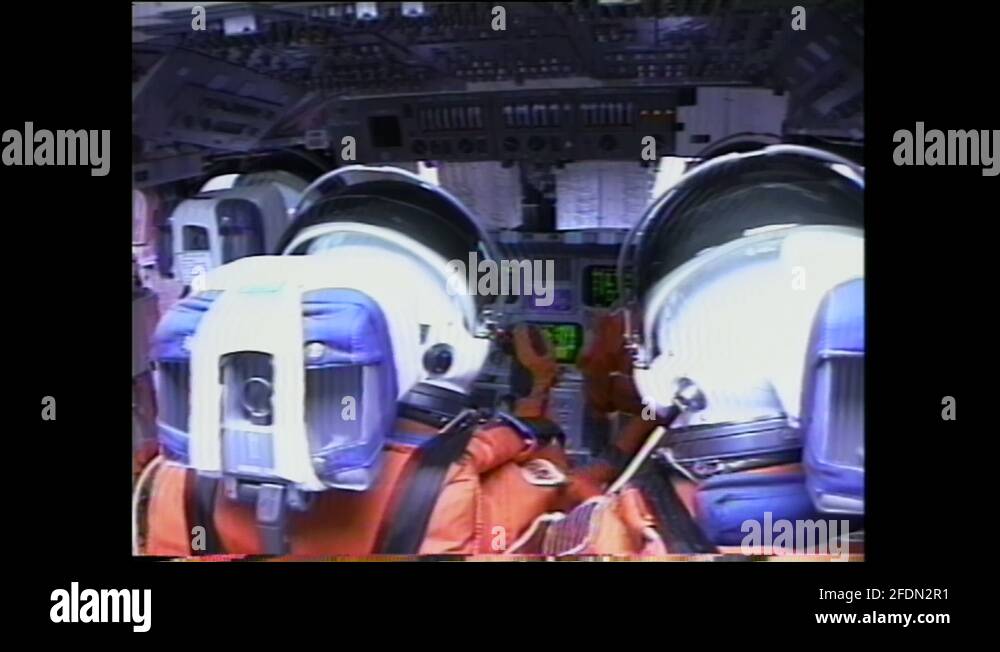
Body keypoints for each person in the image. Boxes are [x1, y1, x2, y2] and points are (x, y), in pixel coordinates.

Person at [135, 167, 574, 556]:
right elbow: (569, 499)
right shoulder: (460, 486)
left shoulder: (176, 480)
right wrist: (538, 396)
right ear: (444, 350)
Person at [507, 146, 866, 556]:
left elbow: (647, 404)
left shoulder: (628, 531)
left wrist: (538, 391)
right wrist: (613, 454)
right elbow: (649, 406)